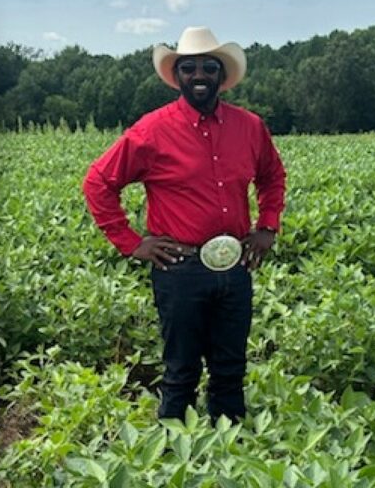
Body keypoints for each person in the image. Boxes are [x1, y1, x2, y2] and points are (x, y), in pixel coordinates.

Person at [81, 26, 286, 422]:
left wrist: (268, 226)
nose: (199, 75)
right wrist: (131, 242)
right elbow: (99, 182)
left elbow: (272, 176)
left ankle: (229, 457)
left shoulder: (250, 127)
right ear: (176, 75)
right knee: (181, 371)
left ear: (220, 75)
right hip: (180, 268)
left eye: (208, 67)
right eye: (188, 67)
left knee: (231, 370)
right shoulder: (152, 131)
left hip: (236, 263)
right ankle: (175, 462)